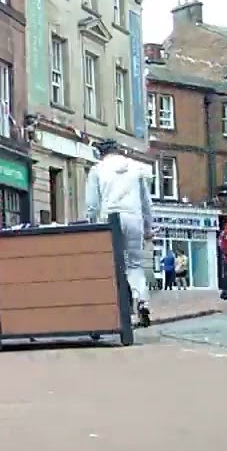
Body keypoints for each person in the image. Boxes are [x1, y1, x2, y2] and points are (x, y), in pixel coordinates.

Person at [85, 138, 154, 325]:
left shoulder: (97, 169)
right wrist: (148, 227)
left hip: (110, 219)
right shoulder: (135, 168)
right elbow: (146, 202)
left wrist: (92, 225)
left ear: (101, 152)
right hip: (134, 218)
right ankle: (142, 301)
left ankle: (118, 309)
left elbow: (92, 204)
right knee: (135, 265)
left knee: (112, 265)